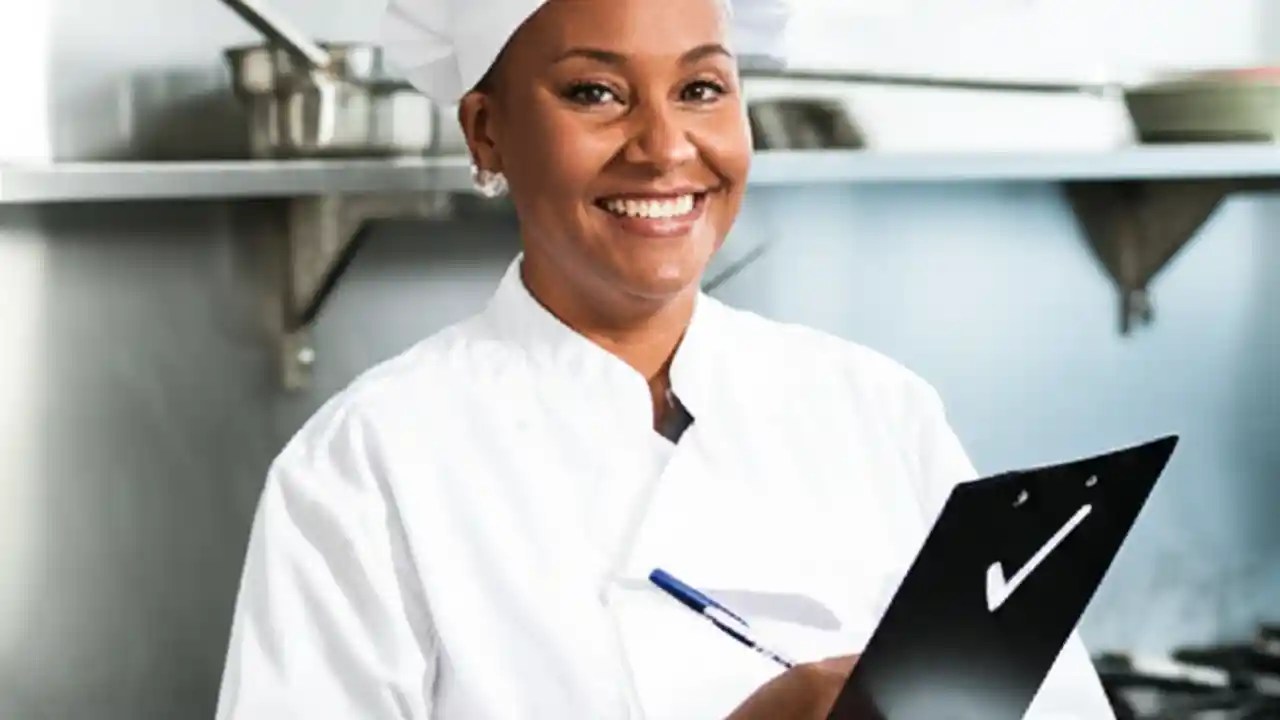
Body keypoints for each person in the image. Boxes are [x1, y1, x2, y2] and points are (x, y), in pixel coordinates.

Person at [214, 0, 1117, 718]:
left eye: (701, 90)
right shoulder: (366, 468)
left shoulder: (876, 409)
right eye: (595, 94)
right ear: (486, 133)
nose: (665, 149)